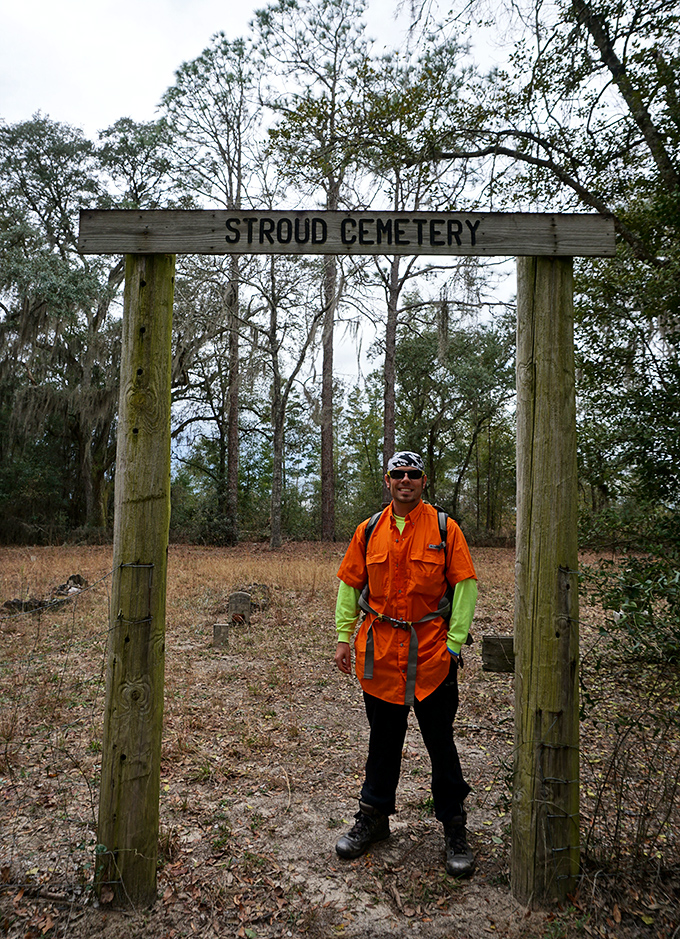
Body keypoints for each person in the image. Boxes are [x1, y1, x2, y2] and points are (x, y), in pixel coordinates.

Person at [333, 451, 478, 876]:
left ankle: (454, 826)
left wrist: (453, 644)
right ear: (388, 481)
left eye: (413, 475)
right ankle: (374, 819)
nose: (405, 481)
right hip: (379, 653)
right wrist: (344, 636)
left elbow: (465, 586)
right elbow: (349, 585)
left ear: (424, 481)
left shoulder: (444, 528)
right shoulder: (368, 530)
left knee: (441, 743)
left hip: (431, 653)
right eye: (398, 475)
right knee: (383, 740)